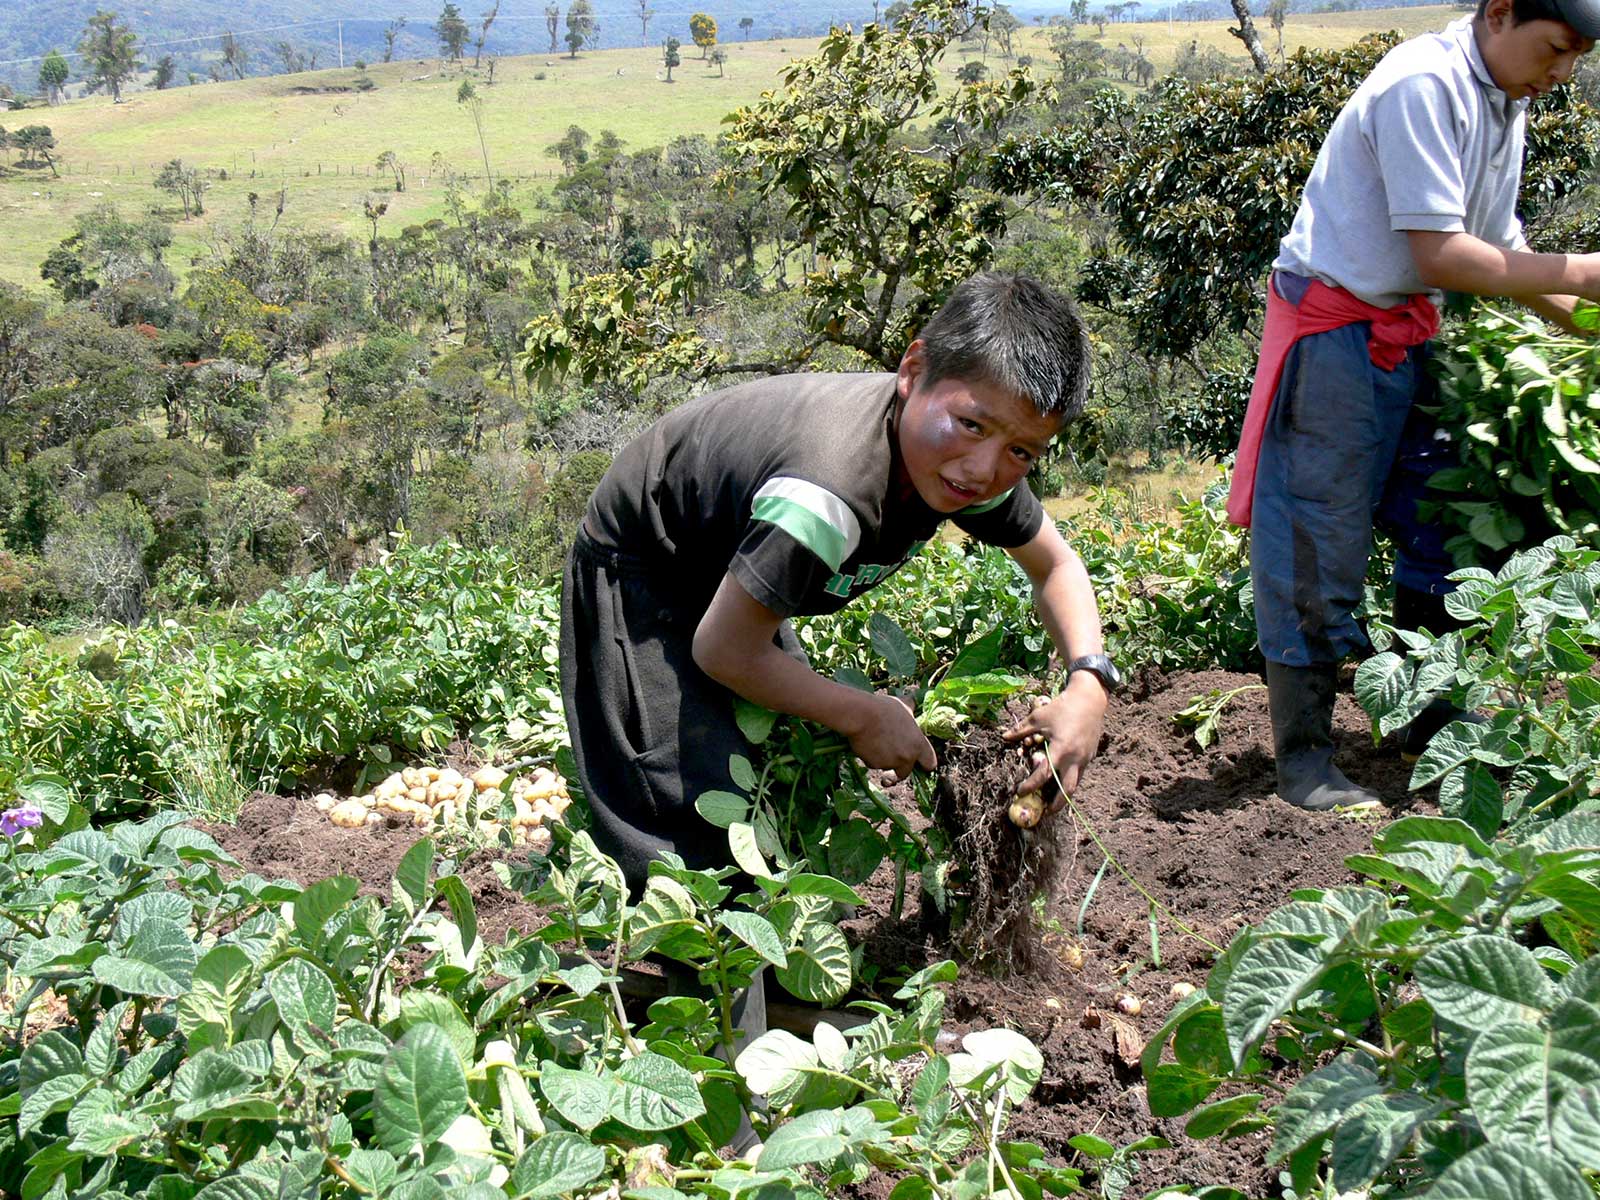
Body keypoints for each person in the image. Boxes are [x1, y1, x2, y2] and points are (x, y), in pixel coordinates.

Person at [1228, 0, 1600, 810]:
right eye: (1557, 49)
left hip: (1405, 329)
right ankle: (1304, 763)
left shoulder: (1505, 98)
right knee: (1315, 540)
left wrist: (1587, 322)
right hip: (1337, 334)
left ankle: (1420, 717)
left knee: (1442, 512)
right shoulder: (1422, 83)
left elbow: (1505, 250)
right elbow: (1448, 254)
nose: (1563, 72)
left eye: (1575, 57)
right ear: (1501, 13)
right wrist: (1585, 273)